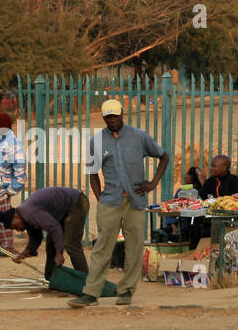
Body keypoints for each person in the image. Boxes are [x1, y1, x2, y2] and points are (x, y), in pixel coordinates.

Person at [69, 100, 170, 308]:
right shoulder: (96, 141)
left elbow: (164, 156)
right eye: (109, 117)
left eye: (116, 116)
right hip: (110, 201)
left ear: (122, 114)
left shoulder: (139, 136)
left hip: (135, 201)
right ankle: (90, 293)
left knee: (134, 247)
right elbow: (92, 173)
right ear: (104, 118)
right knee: (102, 247)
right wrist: (100, 197)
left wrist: (153, 183)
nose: (113, 120)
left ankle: (126, 292)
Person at [0, 186, 90, 282]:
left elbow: (55, 228)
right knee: (51, 244)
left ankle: (85, 282)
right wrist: (24, 254)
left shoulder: (29, 213)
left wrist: (59, 254)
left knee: (71, 244)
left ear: (16, 216)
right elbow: (36, 237)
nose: (18, 230)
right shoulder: (25, 217)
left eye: (15, 227)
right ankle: (52, 279)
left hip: (77, 203)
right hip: (64, 210)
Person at [185, 155, 238, 249]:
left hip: (227, 222)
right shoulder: (210, 182)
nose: (211, 168)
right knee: (193, 221)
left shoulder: (235, 181)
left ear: (224, 168)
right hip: (208, 220)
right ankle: (194, 250)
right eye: (211, 166)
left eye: (214, 166)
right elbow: (201, 197)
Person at [0, 113, 26, 257]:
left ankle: (8, 247)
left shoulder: (13, 144)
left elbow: (20, 170)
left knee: (3, 218)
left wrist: (11, 190)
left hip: (3, 188)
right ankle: (3, 244)